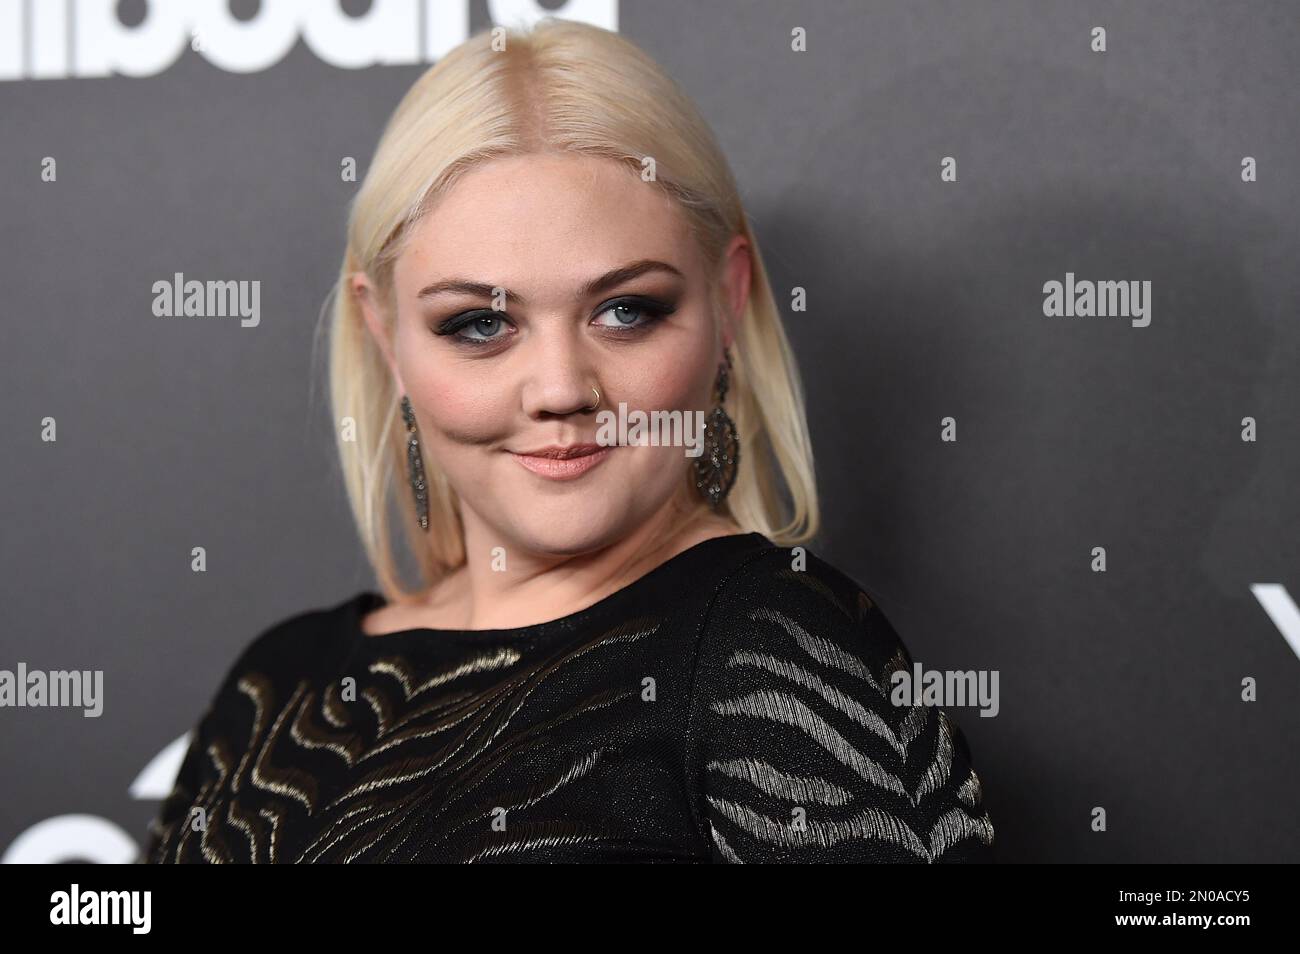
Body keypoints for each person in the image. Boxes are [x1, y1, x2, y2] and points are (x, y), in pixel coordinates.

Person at [144, 17, 994, 863]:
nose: (560, 389)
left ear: (728, 303)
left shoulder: (769, 650)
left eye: (627, 311)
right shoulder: (279, 679)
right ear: (385, 335)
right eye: (478, 324)